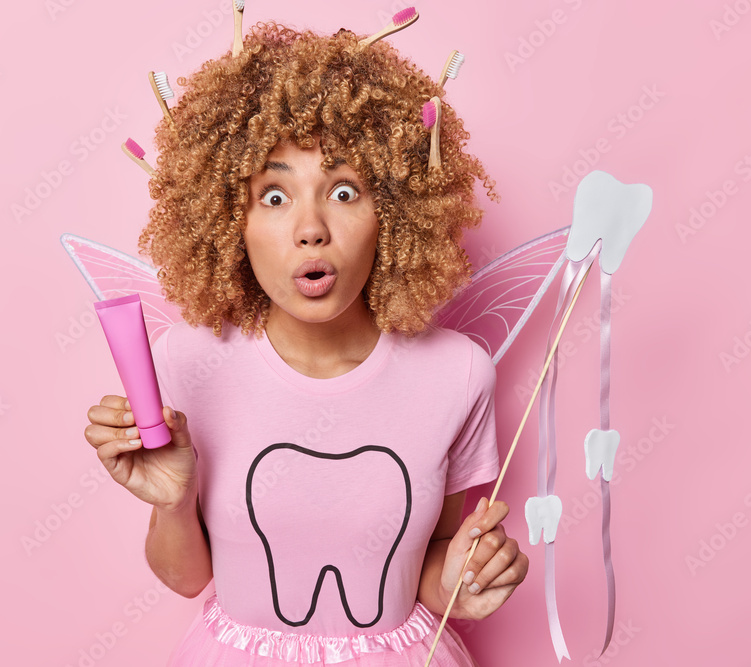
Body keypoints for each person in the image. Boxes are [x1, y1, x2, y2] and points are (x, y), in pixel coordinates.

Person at [84, 21, 528, 666]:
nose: (311, 228)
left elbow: (428, 570)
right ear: (228, 220)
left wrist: (464, 582)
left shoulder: (456, 374)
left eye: (344, 192)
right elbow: (185, 578)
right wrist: (174, 500)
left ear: (398, 212)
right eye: (273, 195)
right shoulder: (186, 361)